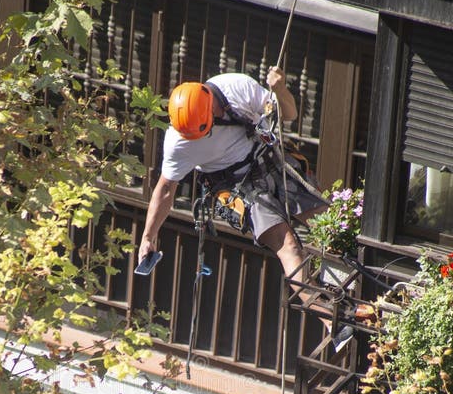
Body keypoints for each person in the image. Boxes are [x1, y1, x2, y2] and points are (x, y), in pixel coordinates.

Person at [138, 68, 325, 285]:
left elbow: (290, 114)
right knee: (289, 247)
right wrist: (148, 237)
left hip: (270, 159)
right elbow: (166, 188)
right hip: (237, 186)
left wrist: (280, 89)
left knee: (325, 222)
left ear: (211, 109)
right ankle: (328, 318)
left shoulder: (236, 87)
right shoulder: (179, 142)